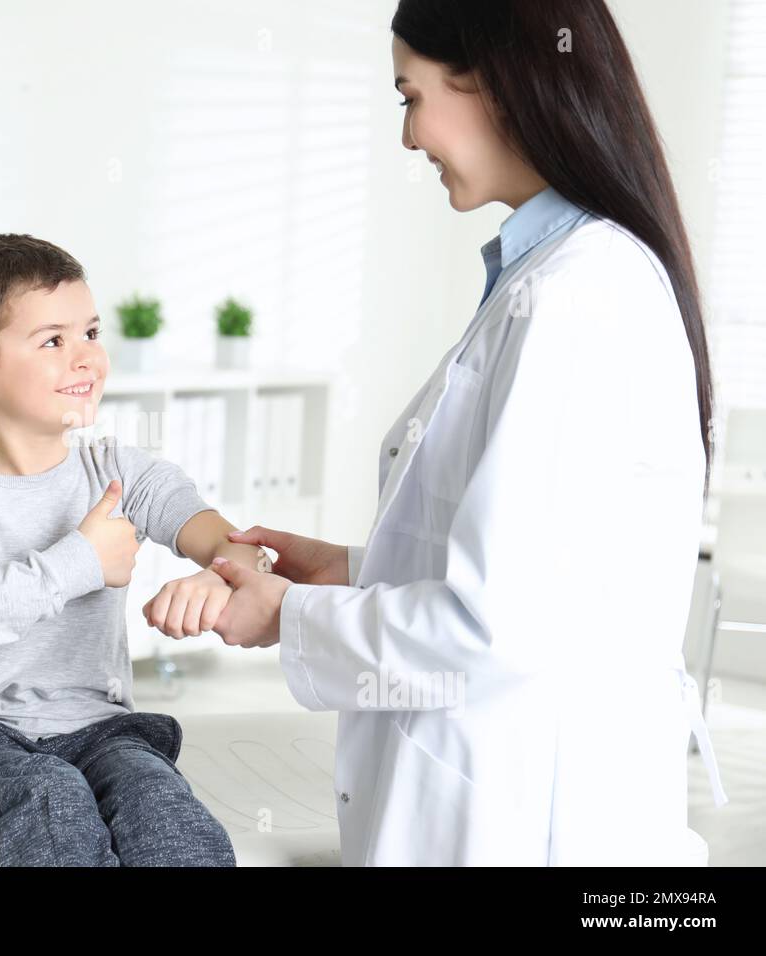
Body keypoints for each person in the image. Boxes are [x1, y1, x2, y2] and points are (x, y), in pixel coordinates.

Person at [141, 0, 729, 865]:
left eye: (409, 98)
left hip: (536, 822)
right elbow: (531, 572)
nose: (409, 137)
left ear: (494, 85)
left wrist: (289, 616)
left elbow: (498, 628)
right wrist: (349, 571)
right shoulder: (546, 280)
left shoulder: (575, 297)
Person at [0, 233, 266, 866]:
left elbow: (239, 547)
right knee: (49, 793)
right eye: (53, 341)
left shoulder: (120, 471)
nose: (86, 357)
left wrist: (221, 576)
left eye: (91, 332)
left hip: (94, 729)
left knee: (157, 797)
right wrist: (79, 562)